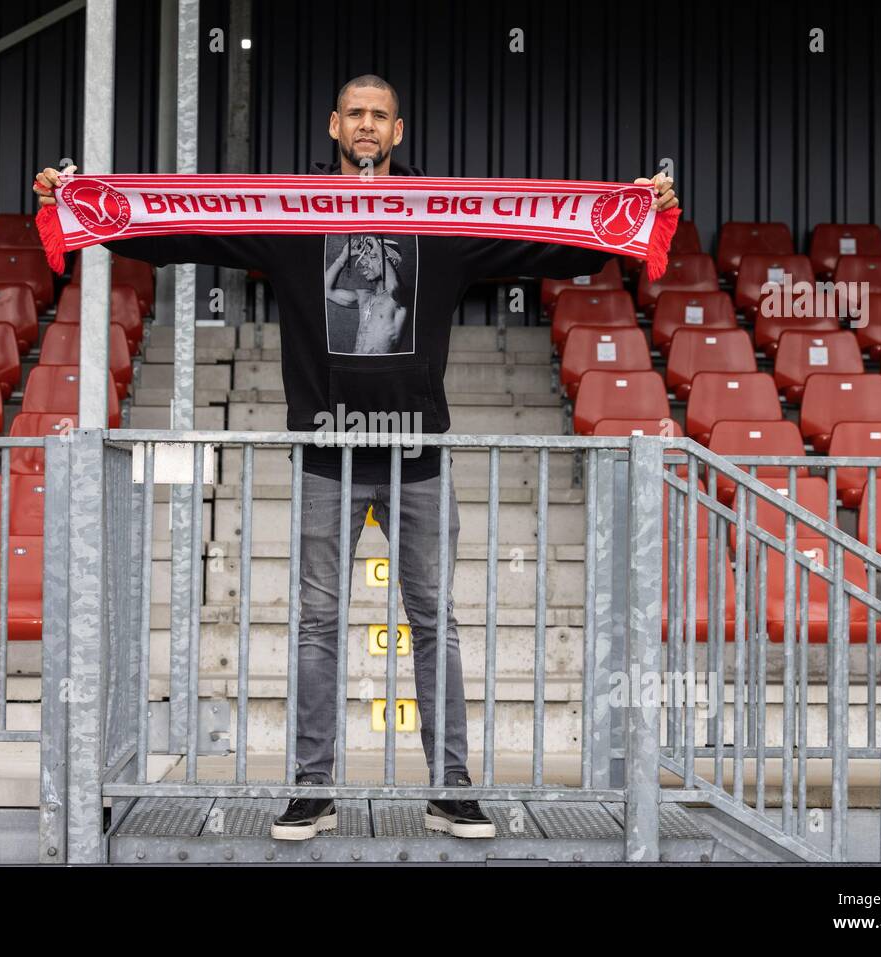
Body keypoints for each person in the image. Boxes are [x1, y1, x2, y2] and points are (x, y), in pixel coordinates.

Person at [34, 73, 678, 842]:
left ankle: (452, 788)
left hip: (419, 457)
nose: (367, 126)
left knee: (434, 622)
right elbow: (183, 226)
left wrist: (630, 212)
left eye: (380, 116)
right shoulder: (292, 214)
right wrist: (83, 201)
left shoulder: (443, 217)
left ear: (397, 132)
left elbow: (549, 242)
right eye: (356, 115)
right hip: (324, 455)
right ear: (334, 125)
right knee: (315, 624)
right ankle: (314, 787)